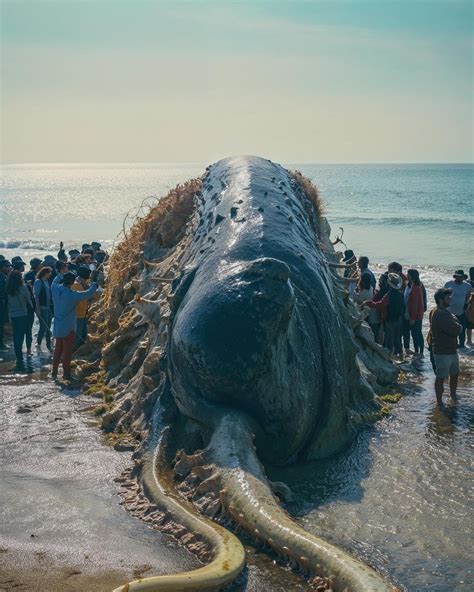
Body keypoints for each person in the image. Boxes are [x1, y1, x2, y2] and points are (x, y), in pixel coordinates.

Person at [51, 271, 98, 380]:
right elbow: (88, 293)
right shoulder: (72, 295)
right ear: (72, 283)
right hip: (69, 327)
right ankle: (66, 374)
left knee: (58, 349)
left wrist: (60, 274)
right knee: (67, 351)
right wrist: (94, 284)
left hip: (57, 326)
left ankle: (54, 372)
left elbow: (54, 281)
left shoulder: (55, 289)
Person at [429, 288, 462, 407]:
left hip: (450, 349)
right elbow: (456, 330)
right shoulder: (441, 313)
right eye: (448, 298)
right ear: (440, 300)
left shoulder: (440, 311)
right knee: (441, 377)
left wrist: (455, 321)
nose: (450, 299)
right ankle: (439, 402)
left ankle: (452, 395)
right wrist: (458, 325)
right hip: (443, 351)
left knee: (454, 373)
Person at [364, 273, 405, 359]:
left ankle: (389, 357)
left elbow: (380, 304)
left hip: (390, 319)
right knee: (397, 338)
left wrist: (368, 303)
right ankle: (401, 356)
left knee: (389, 339)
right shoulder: (401, 294)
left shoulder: (388, 295)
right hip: (399, 319)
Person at [7, 270, 33, 370]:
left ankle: (18, 356)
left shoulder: (9, 288)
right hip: (23, 314)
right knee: (22, 335)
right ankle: (21, 358)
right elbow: (28, 300)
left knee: (16, 336)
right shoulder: (23, 288)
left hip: (13, 315)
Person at [444, 270, 473, 349]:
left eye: (461, 277)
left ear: (463, 277)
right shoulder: (449, 284)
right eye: (458, 276)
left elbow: (471, 294)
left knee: (462, 329)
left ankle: (462, 345)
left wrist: (468, 304)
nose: (460, 278)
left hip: (461, 312)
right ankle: (452, 344)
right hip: (450, 312)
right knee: (450, 329)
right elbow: (442, 296)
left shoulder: (467, 285)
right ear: (455, 276)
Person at [402, 269, 425, 359]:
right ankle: (411, 350)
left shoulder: (417, 287)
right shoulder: (408, 285)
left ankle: (419, 351)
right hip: (407, 313)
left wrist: (413, 318)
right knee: (408, 332)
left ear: (412, 276)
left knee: (416, 334)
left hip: (415, 316)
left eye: (408, 274)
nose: (407, 275)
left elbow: (416, 304)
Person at [354, 273, 380, 341]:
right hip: (374, 315)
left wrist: (355, 292)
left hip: (368, 316)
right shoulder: (371, 287)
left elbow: (357, 301)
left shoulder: (364, 292)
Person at [72, 265, 93, 350]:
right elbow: (80, 301)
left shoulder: (80, 284)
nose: (87, 282)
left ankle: (78, 350)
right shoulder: (76, 285)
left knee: (83, 334)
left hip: (83, 314)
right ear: (82, 279)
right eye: (86, 280)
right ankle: (73, 352)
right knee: (78, 335)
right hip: (78, 315)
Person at [34, 266, 53, 351]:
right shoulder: (39, 281)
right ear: (45, 273)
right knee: (43, 327)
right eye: (49, 273)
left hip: (49, 307)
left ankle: (48, 344)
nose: (50, 275)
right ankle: (38, 343)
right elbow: (36, 297)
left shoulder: (47, 281)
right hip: (42, 307)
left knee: (48, 326)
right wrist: (38, 309)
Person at [0, 259, 12, 350]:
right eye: (7, 266)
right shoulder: (1, 277)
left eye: (9, 266)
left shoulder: (4, 276)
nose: (9, 268)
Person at [466, 267, 474, 346]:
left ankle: (469, 340)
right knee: (469, 324)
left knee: (469, 324)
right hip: (470, 306)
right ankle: (469, 341)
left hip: (469, 306)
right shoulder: (468, 283)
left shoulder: (467, 282)